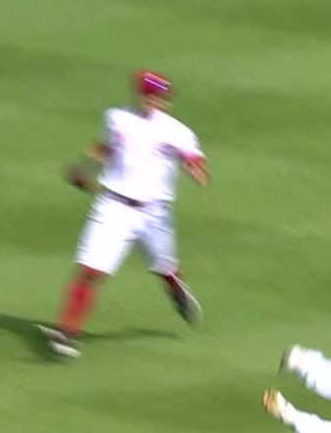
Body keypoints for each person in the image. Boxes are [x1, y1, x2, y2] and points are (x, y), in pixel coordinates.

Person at [39, 70, 209, 359]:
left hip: (155, 214)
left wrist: (196, 169)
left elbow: (194, 158)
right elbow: (105, 148)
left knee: (164, 266)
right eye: (150, 95)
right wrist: (84, 169)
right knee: (90, 270)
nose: (155, 101)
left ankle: (175, 286)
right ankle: (68, 334)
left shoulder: (176, 131)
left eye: (160, 96)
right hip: (113, 206)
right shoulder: (117, 118)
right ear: (139, 95)